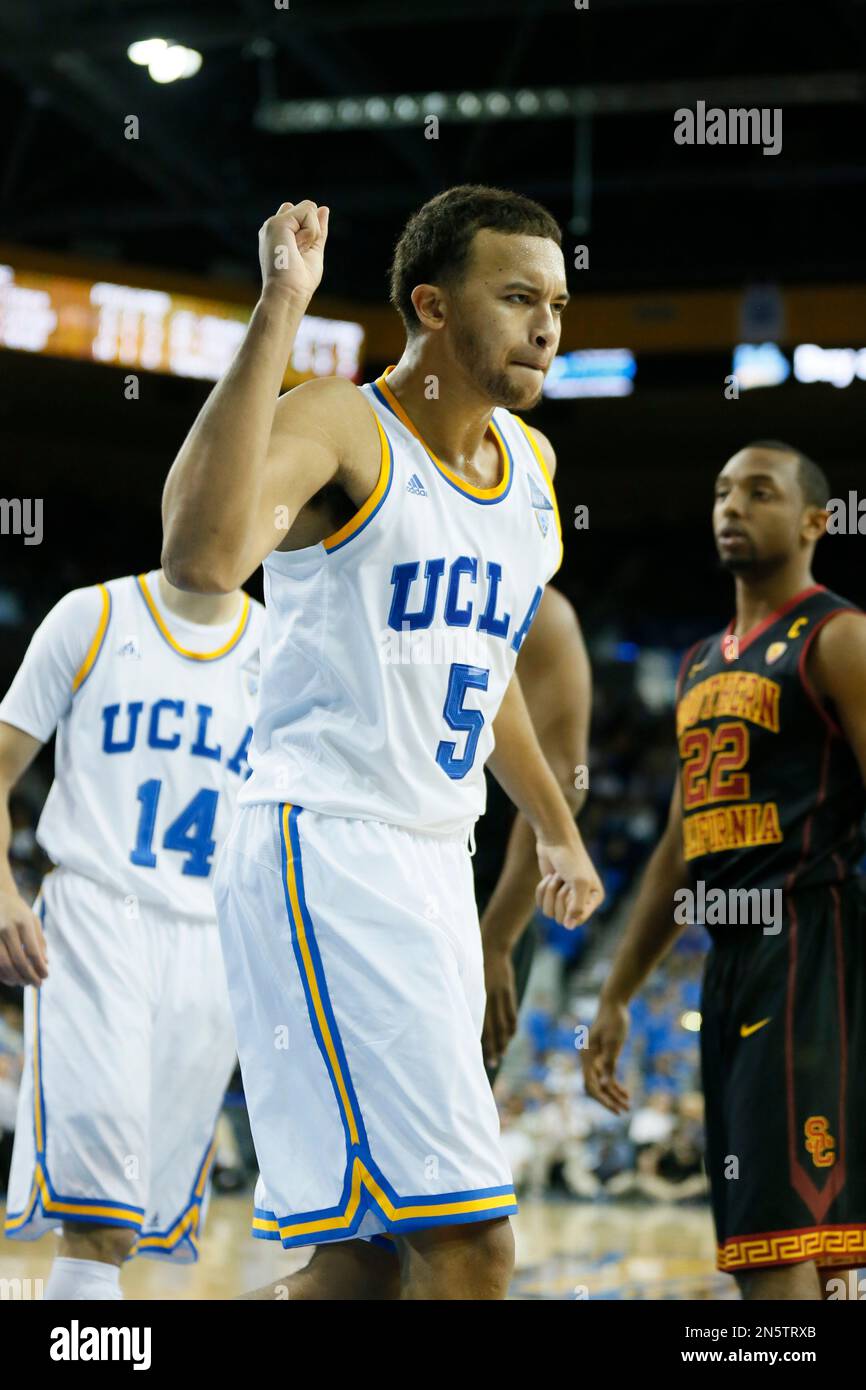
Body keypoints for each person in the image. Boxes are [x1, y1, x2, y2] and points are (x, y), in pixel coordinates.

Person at [161, 184, 604, 1300]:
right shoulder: (341, 422)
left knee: (359, 1266)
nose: (546, 324)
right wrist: (280, 304)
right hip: (327, 842)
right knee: (470, 1247)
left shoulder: (534, 471)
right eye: (515, 297)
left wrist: (554, 827)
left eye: (555, 300)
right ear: (432, 307)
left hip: (431, 861)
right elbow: (205, 560)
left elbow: (481, 660)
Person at [583, 441, 866, 1300]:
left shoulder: (841, 637)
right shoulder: (702, 661)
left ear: (817, 522)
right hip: (732, 956)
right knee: (769, 1253)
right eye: (719, 492)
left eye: (759, 492)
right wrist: (619, 993)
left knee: (789, 1246)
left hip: (810, 940)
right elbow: (678, 843)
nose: (730, 506)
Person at [0, 568, 263, 1299]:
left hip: (213, 942)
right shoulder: (93, 615)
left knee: (129, 1234)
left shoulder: (285, 647)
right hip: (95, 916)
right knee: (100, 1220)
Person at [475, 586, 592, 1083]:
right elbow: (566, 782)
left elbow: (567, 781)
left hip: (370, 860)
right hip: (479, 898)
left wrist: (493, 941)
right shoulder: (538, 607)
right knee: (449, 1118)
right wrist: (495, 942)